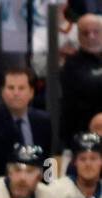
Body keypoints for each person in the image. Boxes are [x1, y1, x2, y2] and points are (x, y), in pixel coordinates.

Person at [0, 65, 52, 186]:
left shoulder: (43, 121)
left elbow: (47, 161)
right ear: (2, 92)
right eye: (11, 88)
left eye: (21, 88)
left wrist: (48, 188)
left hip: (36, 191)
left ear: (31, 92)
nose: (16, 93)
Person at [60, 14, 102, 144]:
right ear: (78, 36)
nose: (91, 36)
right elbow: (73, 104)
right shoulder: (72, 64)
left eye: (96, 32)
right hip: (84, 132)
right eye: (85, 33)